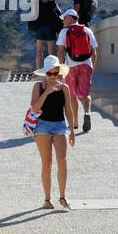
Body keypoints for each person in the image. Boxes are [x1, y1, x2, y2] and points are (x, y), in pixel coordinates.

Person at [29, 55, 76, 210]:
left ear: (59, 73)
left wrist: (72, 131)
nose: (52, 76)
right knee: (47, 163)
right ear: (44, 74)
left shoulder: (64, 88)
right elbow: (35, 108)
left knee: (62, 160)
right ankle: (47, 199)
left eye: (55, 73)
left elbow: (68, 111)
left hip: (60, 126)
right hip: (42, 126)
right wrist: (47, 91)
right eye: (49, 74)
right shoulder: (38, 87)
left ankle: (62, 196)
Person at [57, 8, 99, 133]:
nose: (63, 21)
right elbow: (94, 53)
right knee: (85, 94)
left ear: (70, 19)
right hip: (86, 65)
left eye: (64, 19)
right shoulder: (87, 30)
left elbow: (60, 52)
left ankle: (74, 123)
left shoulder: (64, 32)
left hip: (71, 67)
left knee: (72, 95)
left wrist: (60, 68)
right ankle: (87, 113)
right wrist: (92, 68)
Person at [27, 0, 63, 70]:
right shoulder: (52, 4)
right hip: (50, 29)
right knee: (51, 53)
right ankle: (52, 70)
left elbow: (31, 16)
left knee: (39, 52)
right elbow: (60, 14)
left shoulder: (36, 3)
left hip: (39, 30)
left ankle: (39, 71)